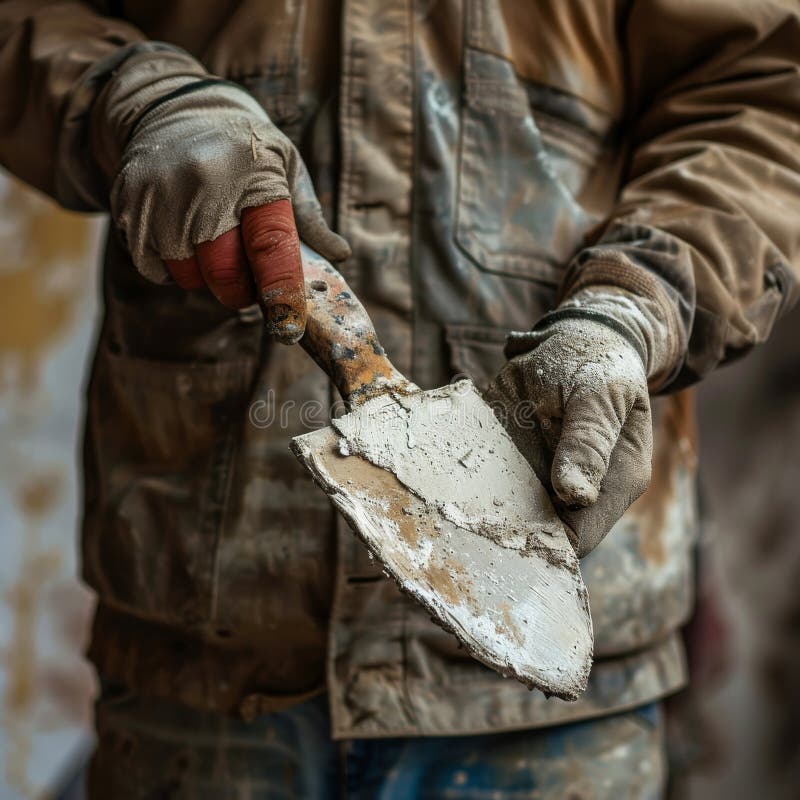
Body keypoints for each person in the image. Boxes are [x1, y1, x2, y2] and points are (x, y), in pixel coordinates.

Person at [2, 2, 799, 797]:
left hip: (549, 695)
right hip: (201, 632)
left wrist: (633, 307)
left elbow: (764, 88)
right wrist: (139, 95)